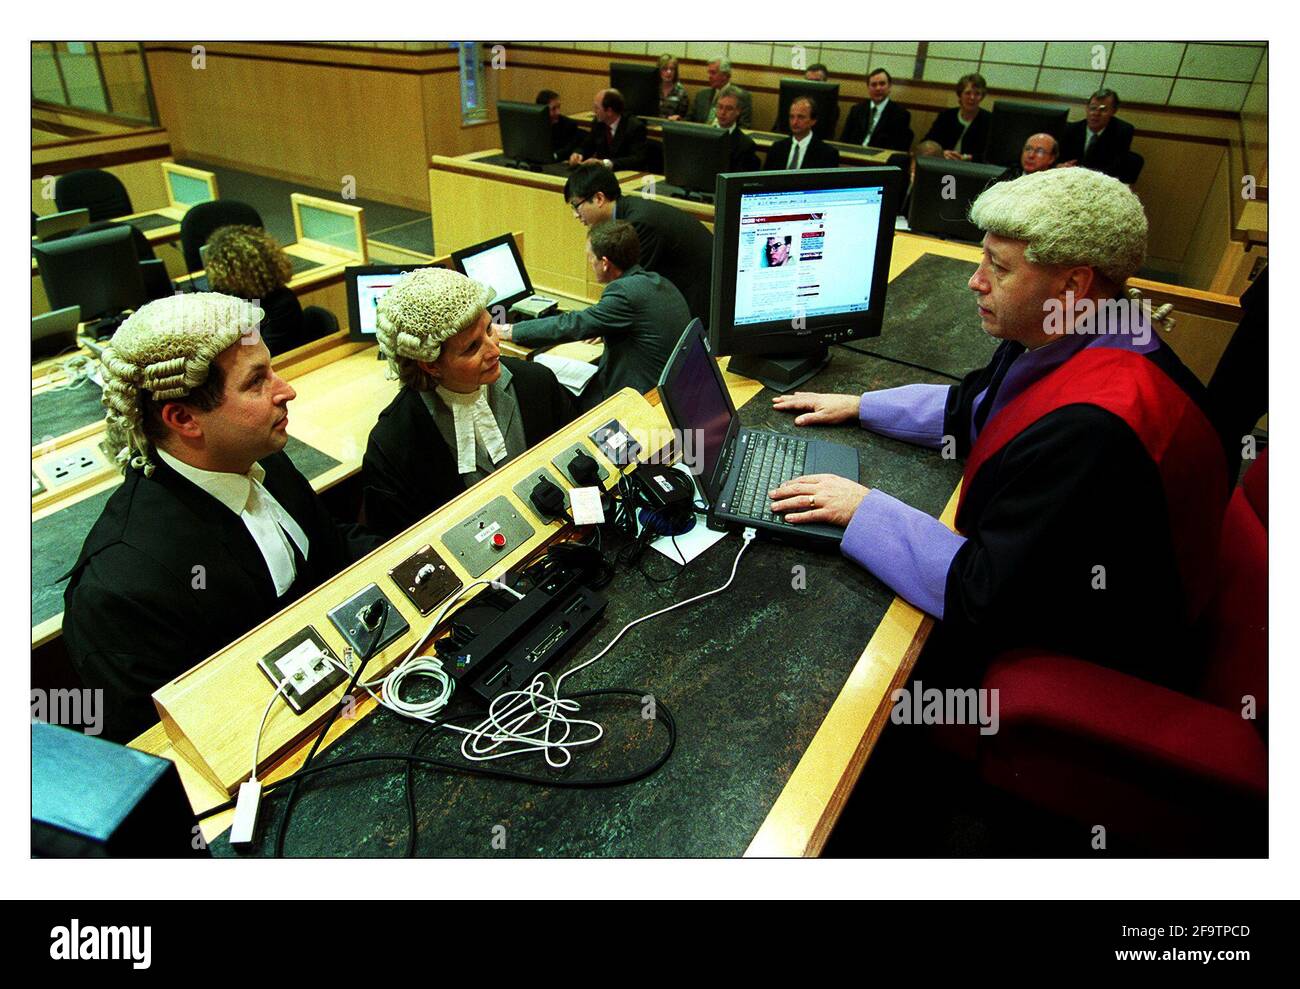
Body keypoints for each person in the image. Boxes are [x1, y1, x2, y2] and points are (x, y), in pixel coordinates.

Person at [768, 167, 1231, 686]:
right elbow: (977, 406)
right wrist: (861, 405)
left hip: (1095, 654)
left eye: (1000, 267)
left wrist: (863, 510)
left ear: (1073, 284)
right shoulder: (1074, 329)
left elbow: (983, 594)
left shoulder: (1095, 428)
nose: (976, 280)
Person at [62, 293, 380, 742]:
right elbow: (167, 750)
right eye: (256, 382)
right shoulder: (121, 590)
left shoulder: (260, 457)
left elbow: (331, 548)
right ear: (183, 418)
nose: (287, 389)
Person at [361, 268, 577, 540]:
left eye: (489, 329)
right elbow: (398, 545)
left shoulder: (536, 383)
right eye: (472, 348)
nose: (495, 350)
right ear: (431, 365)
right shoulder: (393, 442)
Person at [500, 221, 689, 411]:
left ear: (605, 263)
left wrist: (510, 331)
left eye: (591, 258)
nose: (590, 263)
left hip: (640, 401)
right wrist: (606, 326)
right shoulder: (658, 282)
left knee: (544, 391)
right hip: (672, 392)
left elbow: (571, 325)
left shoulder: (623, 293)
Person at [563, 164, 714, 324]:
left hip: (699, 304)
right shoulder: (627, 214)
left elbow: (633, 286)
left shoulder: (639, 223)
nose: (575, 215)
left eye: (576, 206)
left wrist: (601, 322)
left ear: (599, 198)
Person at [204, 224, 307, 356]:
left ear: (239, 274)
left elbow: (261, 356)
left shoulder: (283, 304)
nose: (219, 279)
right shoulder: (235, 298)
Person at [1059, 88, 1135, 179]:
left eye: (1103, 110)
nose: (1096, 113)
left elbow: (1117, 166)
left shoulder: (1122, 131)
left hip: (1101, 181)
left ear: (1113, 111)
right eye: (1093, 108)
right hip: (1069, 178)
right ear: (1087, 108)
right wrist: (1061, 166)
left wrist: (1087, 177)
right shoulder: (1071, 129)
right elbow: (1057, 158)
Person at [569, 88, 649, 172]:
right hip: (603, 176)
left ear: (609, 111)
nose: (594, 111)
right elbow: (587, 145)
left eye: (597, 108)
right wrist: (578, 154)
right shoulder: (598, 123)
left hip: (628, 175)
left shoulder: (634, 127)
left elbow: (637, 159)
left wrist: (606, 163)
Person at [923, 72, 992, 162]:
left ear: (982, 97)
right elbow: (927, 143)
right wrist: (941, 153)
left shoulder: (989, 120)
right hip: (942, 164)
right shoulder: (946, 116)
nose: (972, 97)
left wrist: (968, 158)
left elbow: (993, 155)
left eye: (977, 94)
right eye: (968, 93)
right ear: (960, 95)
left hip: (973, 169)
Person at [840, 67, 913, 151]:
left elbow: (899, 148)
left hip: (880, 161)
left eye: (882, 84)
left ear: (889, 86)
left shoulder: (901, 115)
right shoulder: (856, 110)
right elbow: (844, 140)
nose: (878, 88)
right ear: (868, 88)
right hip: (853, 156)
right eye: (874, 85)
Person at [765, 96, 840, 170]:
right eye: (792, 117)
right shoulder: (776, 148)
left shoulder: (828, 154)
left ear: (813, 121)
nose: (794, 122)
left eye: (801, 117)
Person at [687, 56, 753, 128]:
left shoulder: (742, 96)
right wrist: (677, 120)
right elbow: (689, 120)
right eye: (709, 73)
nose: (709, 76)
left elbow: (744, 127)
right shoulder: (701, 95)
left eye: (713, 73)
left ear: (725, 75)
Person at [715, 85, 760, 171]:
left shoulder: (746, 145)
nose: (722, 112)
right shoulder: (705, 137)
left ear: (738, 111)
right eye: (720, 107)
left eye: (729, 109)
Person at [536, 88, 581, 161]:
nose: (558, 112)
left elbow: (568, 150)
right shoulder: (533, 125)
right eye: (553, 109)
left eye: (559, 107)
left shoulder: (569, 125)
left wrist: (553, 156)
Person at [656, 54, 689, 119]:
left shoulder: (681, 92)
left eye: (672, 69)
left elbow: (683, 117)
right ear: (659, 70)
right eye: (665, 69)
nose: (669, 72)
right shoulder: (652, 88)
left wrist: (678, 118)